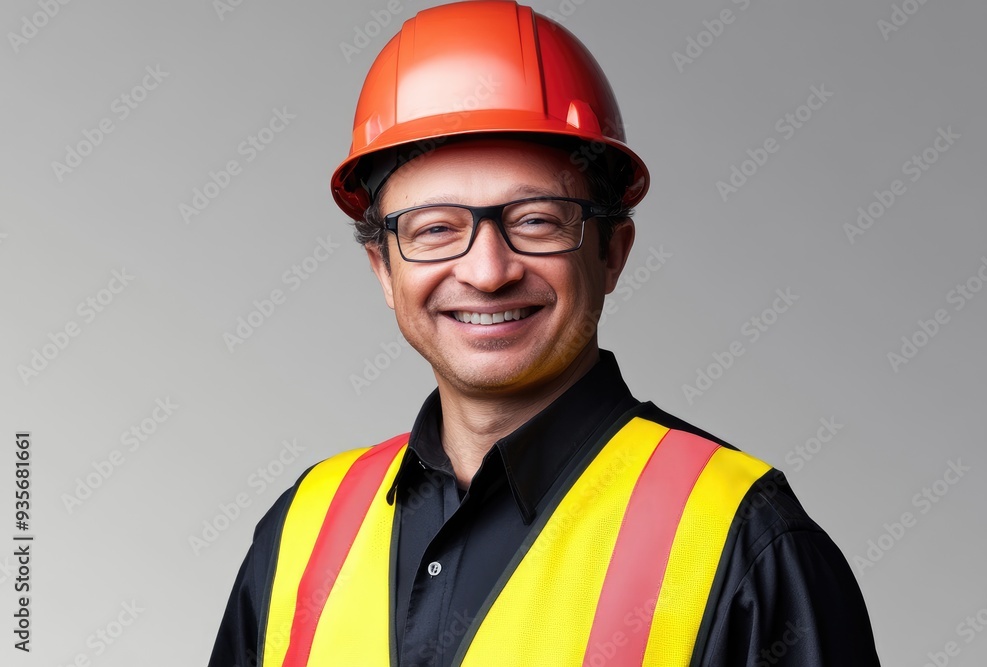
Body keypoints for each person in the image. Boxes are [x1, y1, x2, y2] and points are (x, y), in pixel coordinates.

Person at [209, 2, 881, 665]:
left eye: (536, 219)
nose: (487, 270)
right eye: (435, 228)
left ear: (612, 251)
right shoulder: (302, 535)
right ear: (383, 268)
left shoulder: (743, 539)